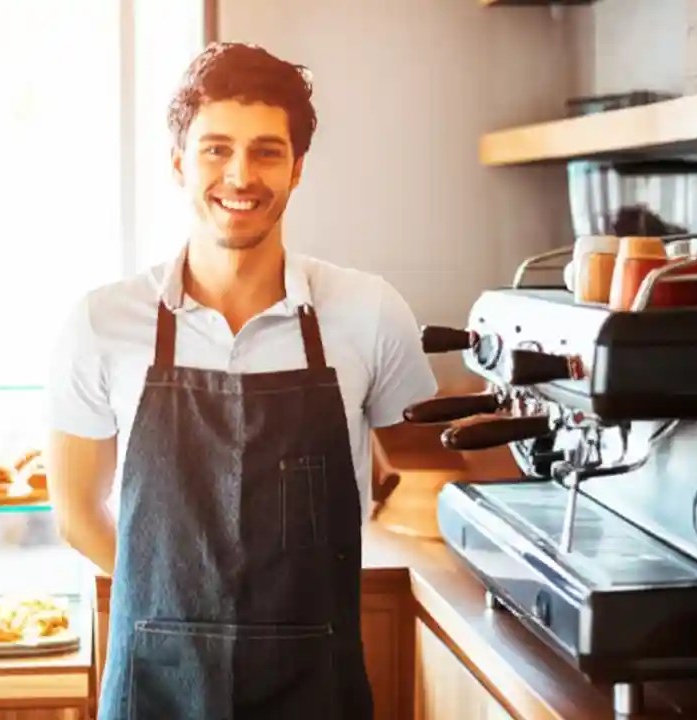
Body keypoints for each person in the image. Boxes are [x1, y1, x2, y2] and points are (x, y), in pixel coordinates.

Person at [46, 41, 437, 720]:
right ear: (178, 162)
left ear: (298, 169)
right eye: (216, 149)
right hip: (156, 683)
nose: (241, 174)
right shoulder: (102, 322)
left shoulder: (370, 313)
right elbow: (77, 514)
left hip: (316, 679)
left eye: (266, 151)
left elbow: (421, 484)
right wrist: (172, 610)